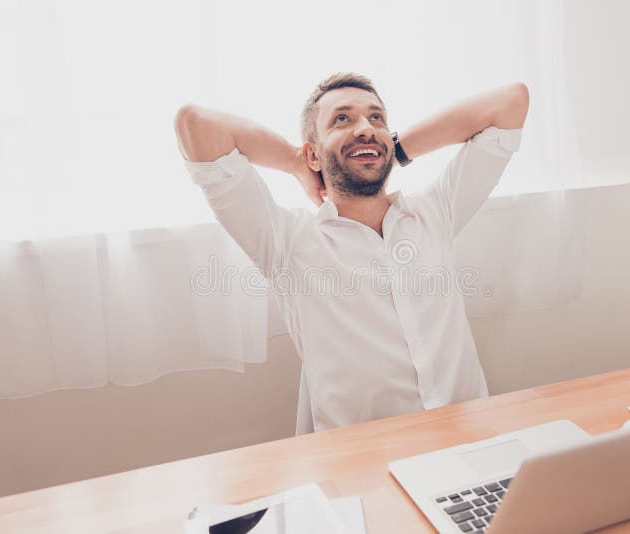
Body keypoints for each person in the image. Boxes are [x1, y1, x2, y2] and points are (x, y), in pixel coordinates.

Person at [175, 73, 529, 433]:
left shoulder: (435, 212)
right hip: (363, 464)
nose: (365, 128)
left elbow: (510, 102)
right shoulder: (288, 240)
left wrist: (396, 148)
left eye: (376, 118)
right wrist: (299, 163)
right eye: (342, 119)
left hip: (469, 441)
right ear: (314, 151)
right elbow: (197, 125)